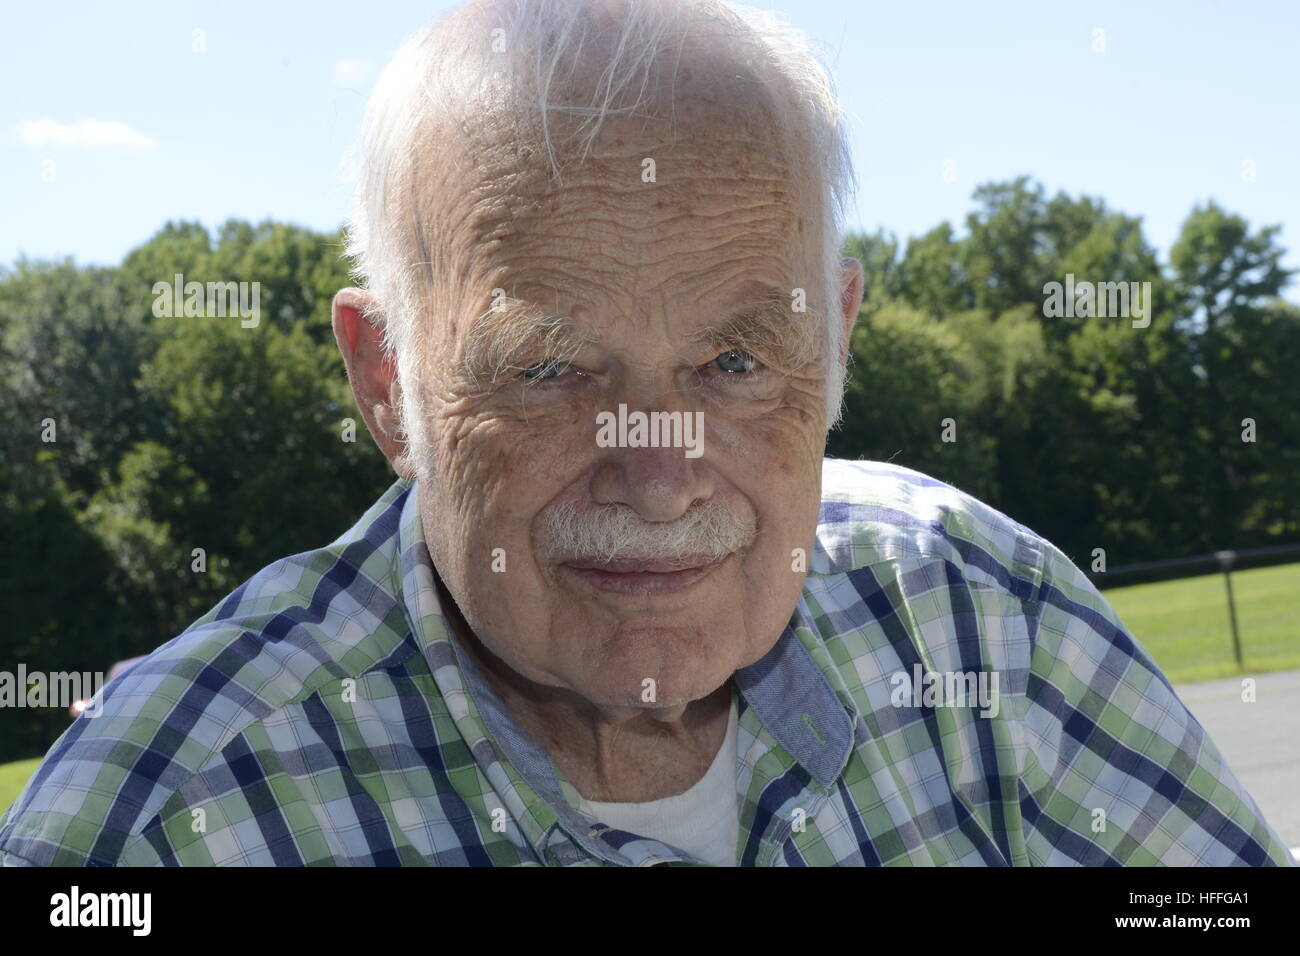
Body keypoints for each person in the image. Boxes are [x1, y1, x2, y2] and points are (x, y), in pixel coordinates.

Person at [1, 0, 1290, 866]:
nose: (665, 483)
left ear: (837, 344)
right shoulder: (162, 823)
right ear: (388, 383)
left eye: (736, 362)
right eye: (553, 368)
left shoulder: (987, 620)